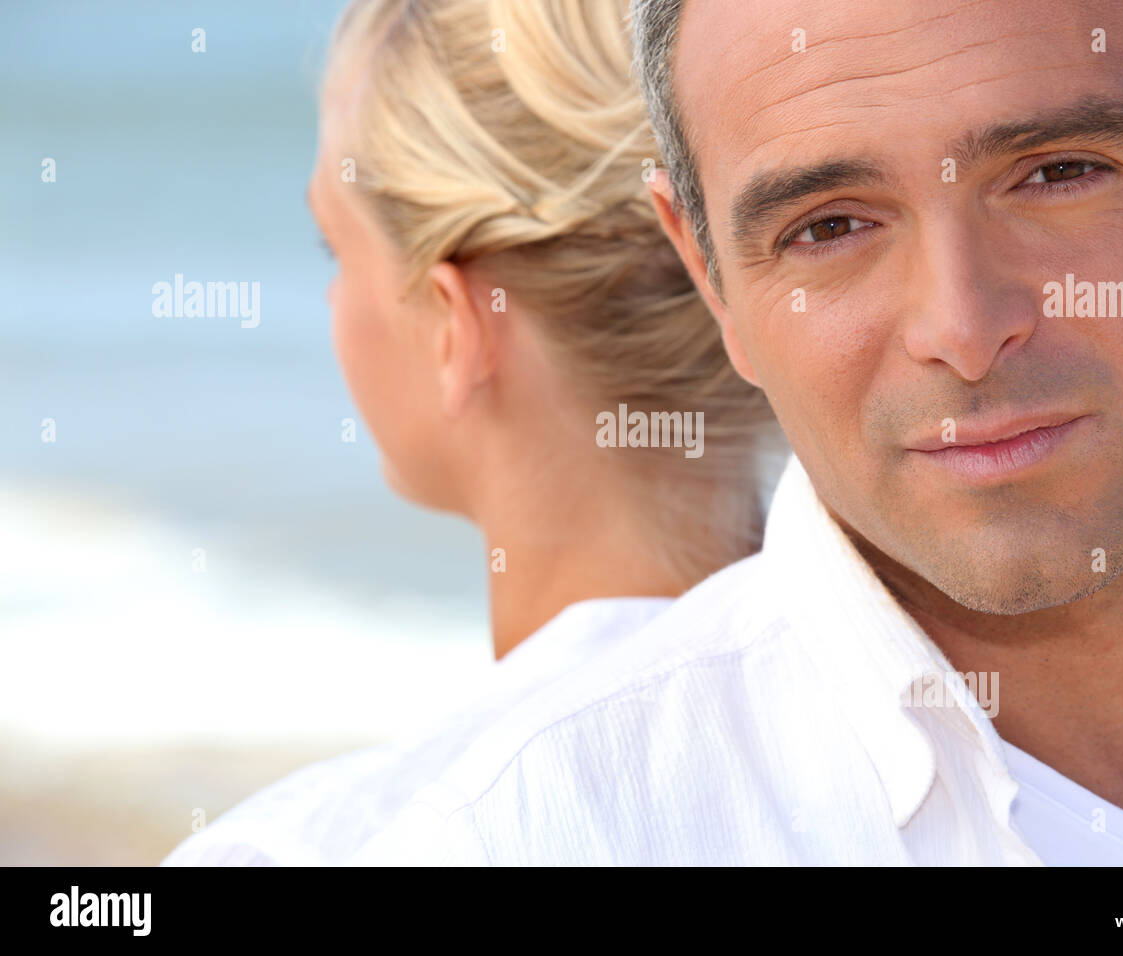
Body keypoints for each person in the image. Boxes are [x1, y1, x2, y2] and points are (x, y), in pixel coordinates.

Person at [334, 0, 1123, 865]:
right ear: (710, 274)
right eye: (830, 227)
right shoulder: (526, 843)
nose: (961, 328)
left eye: (1056, 172)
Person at [160, 0, 778, 866]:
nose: (335, 302)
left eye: (335, 251)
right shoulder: (973, 749)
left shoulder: (323, 847)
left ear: (457, 323)